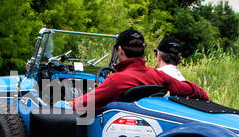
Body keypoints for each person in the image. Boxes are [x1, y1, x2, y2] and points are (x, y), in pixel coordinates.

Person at [71, 28, 208, 112]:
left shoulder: (116, 80)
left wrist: (68, 102)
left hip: (114, 127)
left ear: (120, 50)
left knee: (60, 105)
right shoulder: (158, 75)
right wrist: (203, 95)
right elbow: (191, 89)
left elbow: (81, 105)